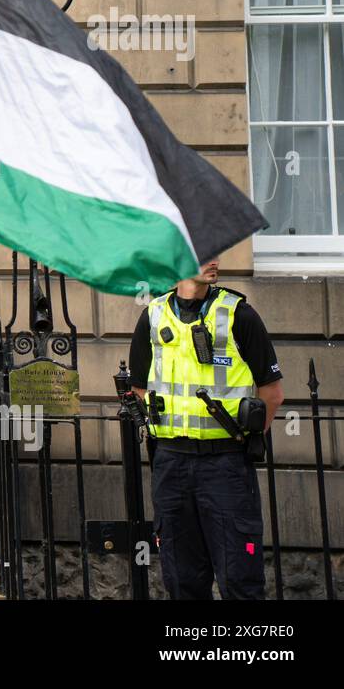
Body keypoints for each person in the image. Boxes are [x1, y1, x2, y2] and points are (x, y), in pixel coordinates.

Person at [128, 257, 284, 600]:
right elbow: (138, 387)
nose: (214, 259)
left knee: (240, 580)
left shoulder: (238, 314)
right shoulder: (153, 316)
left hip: (225, 464)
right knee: (182, 581)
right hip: (170, 463)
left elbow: (272, 394)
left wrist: (247, 438)